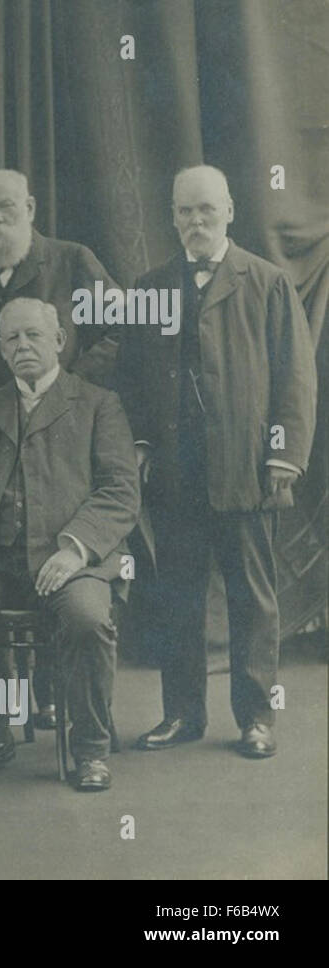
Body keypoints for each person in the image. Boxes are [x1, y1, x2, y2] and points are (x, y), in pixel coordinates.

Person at [117, 165, 316, 760]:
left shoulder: (267, 282)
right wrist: (143, 444)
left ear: (229, 211)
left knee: (252, 598)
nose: (195, 222)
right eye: (184, 211)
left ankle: (256, 718)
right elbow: (132, 378)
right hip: (177, 476)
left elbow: (295, 377)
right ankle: (182, 714)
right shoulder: (151, 287)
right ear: (172, 217)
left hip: (247, 469)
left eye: (206, 210)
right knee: (177, 596)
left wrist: (283, 455)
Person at [0, 298, 139, 791]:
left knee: (87, 617)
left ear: (59, 341)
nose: (23, 346)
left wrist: (75, 548)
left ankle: (90, 749)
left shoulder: (99, 404)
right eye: (12, 338)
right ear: (0, 347)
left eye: (33, 335)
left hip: (69, 563)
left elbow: (120, 490)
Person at [0, 169, 121, 438]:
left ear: (29, 208)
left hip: (54, 427)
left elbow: (122, 332)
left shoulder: (72, 261)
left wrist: (72, 383)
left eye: (6, 207)